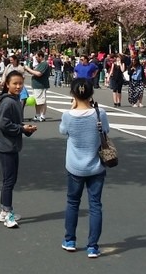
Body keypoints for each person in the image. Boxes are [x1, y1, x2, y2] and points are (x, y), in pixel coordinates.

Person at [59, 78, 108, 257]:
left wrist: (72, 108)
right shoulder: (100, 113)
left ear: (72, 94)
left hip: (74, 166)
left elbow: (63, 131)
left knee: (73, 202)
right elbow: (105, 131)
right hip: (96, 166)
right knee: (95, 205)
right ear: (91, 94)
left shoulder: (67, 115)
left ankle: (70, 239)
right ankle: (93, 246)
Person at [0, 69, 37, 228]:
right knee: (9, 181)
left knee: (9, 179)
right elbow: (4, 124)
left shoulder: (15, 100)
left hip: (10, 145)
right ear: (7, 84)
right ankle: (7, 212)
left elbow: (13, 123)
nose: (18, 86)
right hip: (6, 146)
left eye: (21, 83)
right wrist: (22, 129)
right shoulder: (8, 102)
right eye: (15, 84)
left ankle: (4, 211)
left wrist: (25, 128)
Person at [23, 50, 50, 121]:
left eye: (37, 57)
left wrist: (28, 69)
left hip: (41, 85)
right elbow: (34, 72)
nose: (36, 59)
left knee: (42, 101)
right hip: (36, 86)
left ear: (41, 57)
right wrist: (28, 70)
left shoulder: (44, 64)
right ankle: (37, 115)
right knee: (37, 101)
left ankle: (42, 116)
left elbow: (38, 73)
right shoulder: (40, 64)